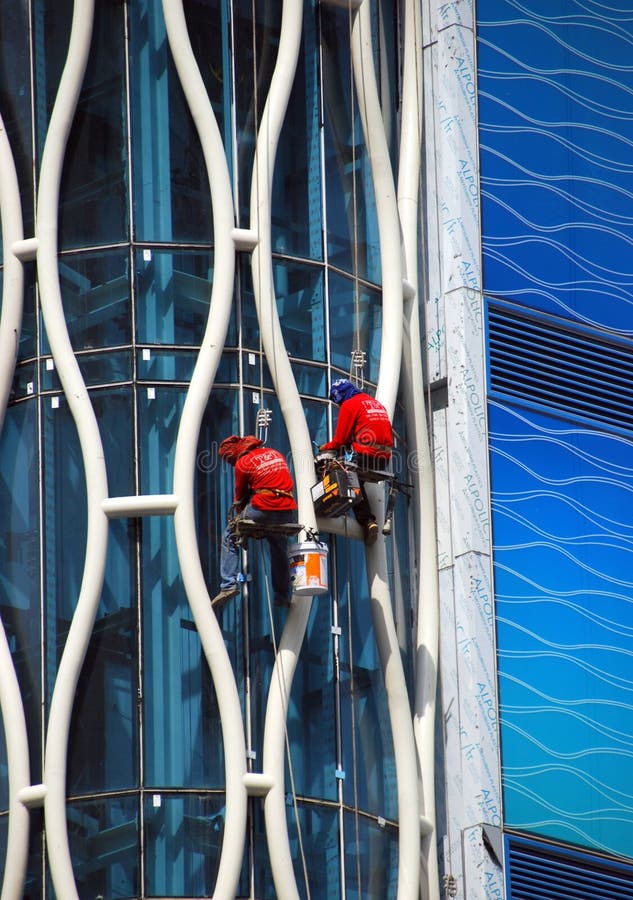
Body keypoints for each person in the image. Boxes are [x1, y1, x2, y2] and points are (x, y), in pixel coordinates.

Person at [212, 434, 298, 610]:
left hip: (263, 508)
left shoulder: (243, 463)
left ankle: (228, 585)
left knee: (229, 534)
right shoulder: (275, 453)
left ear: (236, 453)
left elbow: (239, 498)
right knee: (278, 544)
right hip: (287, 512)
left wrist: (241, 527)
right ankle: (282, 595)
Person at [320, 378, 393, 545]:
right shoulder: (375, 403)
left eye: (337, 402)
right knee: (357, 479)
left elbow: (340, 440)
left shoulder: (349, 404)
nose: (338, 406)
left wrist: (325, 447)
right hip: (384, 460)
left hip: (366, 456)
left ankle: (366, 520)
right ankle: (369, 521)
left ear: (339, 396)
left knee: (342, 473)